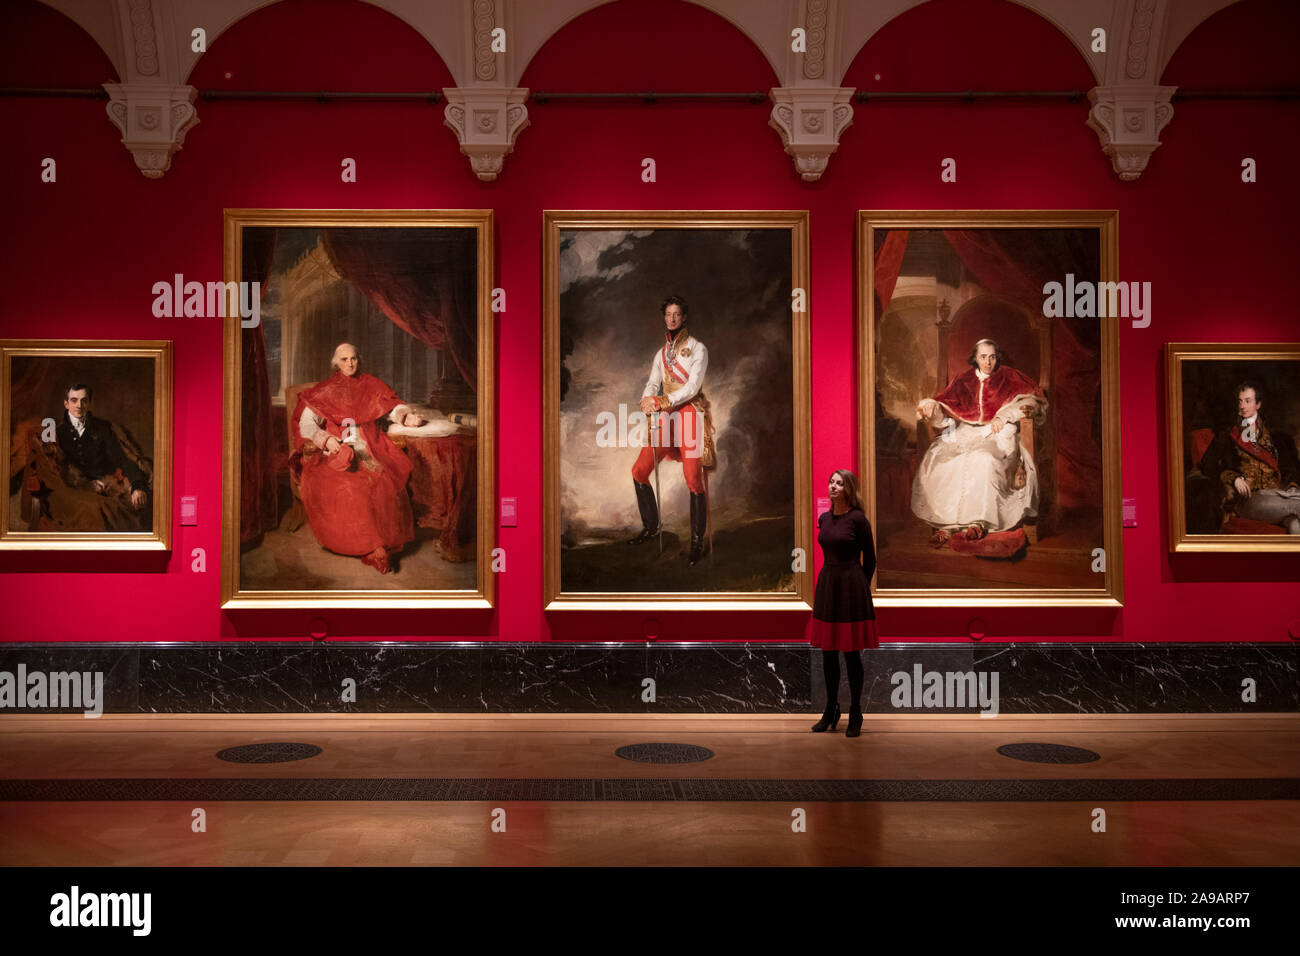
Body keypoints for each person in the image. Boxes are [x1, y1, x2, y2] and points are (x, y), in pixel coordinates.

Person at [292, 343, 424, 574]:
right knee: (349, 489)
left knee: (384, 483)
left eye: (353, 358)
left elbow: (391, 408)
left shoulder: (371, 385)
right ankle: (371, 548)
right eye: (344, 359)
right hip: (334, 451)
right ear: (336, 363)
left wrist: (406, 417)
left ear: (358, 359)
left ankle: (382, 542)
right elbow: (305, 424)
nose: (350, 363)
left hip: (370, 446)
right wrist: (326, 440)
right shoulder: (325, 390)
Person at [912, 338, 1047, 546]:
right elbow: (943, 405)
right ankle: (945, 527)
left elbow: (1032, 401)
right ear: (975, 358)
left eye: (992, 357)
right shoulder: (964, 379)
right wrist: (930, 406)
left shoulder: (1009, 377)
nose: (988, 362)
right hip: (965, 432)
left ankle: (978, 522)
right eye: (983, 357)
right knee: (943, 461)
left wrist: (1005, 416)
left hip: (999, 433)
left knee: (982, 459)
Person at [627, 296, 717, 565]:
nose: (673, 318)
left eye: (677, 314)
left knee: (693, 479)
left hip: (689, 412)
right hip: (665, 416)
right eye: (669, 314)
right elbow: (653, 383)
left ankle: (696, 543)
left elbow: (691, 388)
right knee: (639, 471)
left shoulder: (698, 349)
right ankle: (651, 527)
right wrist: (647, 400)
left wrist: (662, 401)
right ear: (664, 317)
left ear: (684, 317)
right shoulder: (659, 354)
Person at [810, 469, 879, 738]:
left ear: (849, 488)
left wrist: (859, 585)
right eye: (831, 482)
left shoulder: (858, 520)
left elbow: (870, 559)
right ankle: (831, 709)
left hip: (851, 587)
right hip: (828, 584)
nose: (833, 486)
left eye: (839, 483)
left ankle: (856, 712)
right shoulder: (824, 518)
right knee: (828, 653)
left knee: (850, 653)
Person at [1198, 381, 1300, 533]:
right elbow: (1207, 464)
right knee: (1296, 507)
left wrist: (1292, 486)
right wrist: (1234, 478)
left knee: (1294, 524)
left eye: (1248, 401)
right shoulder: (1227, 436)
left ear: (1258, 404)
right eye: (1240, 401)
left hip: (1279, 494)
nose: (1242, 406)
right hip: (1249, 498)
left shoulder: (1277, 437)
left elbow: (1291, 468)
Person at [55, 384, 149, 512]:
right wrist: (84, 485)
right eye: (74, 400)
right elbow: (57, 468)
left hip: (105, 487)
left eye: (84, 400)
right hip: (74, 490)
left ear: (89, 403)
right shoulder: (57, 432)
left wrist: (137, 486)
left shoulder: (102, 428)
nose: (79, 406)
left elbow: (121, 458)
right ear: (66, 404)